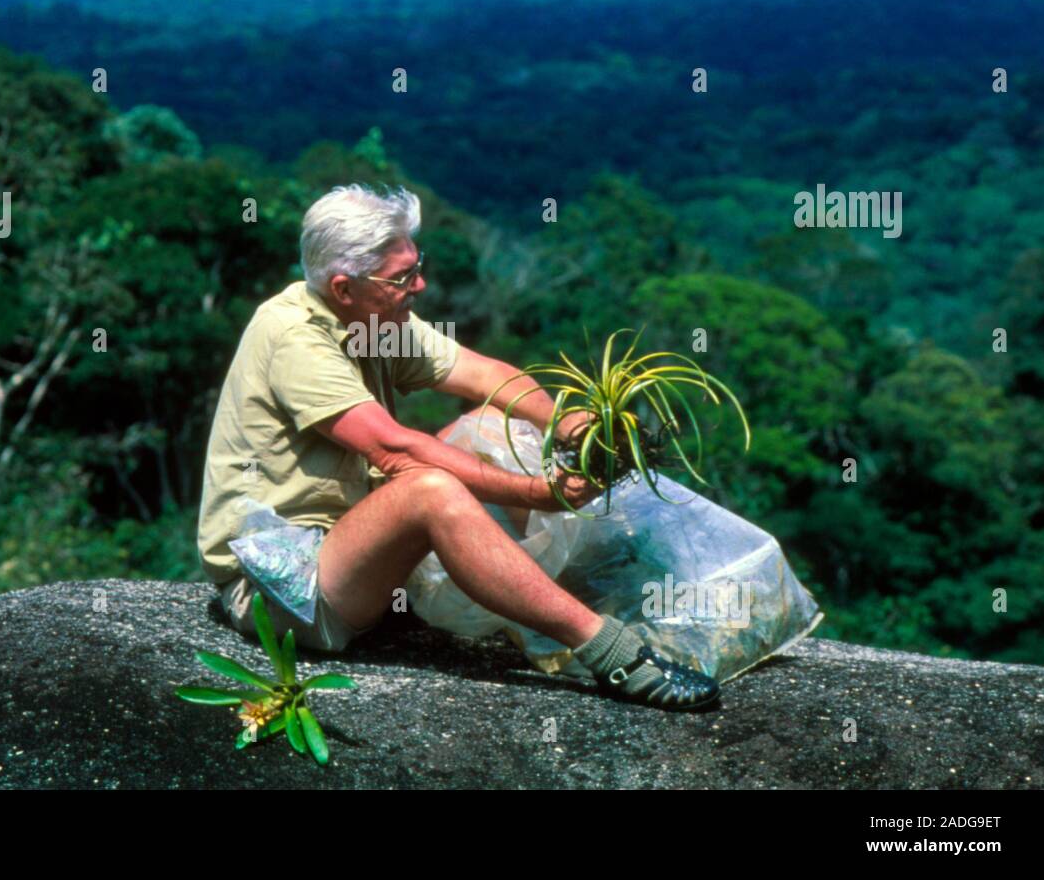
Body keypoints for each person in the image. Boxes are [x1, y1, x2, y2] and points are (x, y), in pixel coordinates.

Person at [196, 183, 719, 711]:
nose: (419, 283)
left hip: (351, 549)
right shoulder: (294, 337)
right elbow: (392, 449)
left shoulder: (375, 319)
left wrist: (575, 428)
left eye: (416, 264)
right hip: (283, 589)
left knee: (493, 425)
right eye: (401, 277)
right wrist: (538, 493)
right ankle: (611, 651)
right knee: (430, 489)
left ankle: (565, 598)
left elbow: (485, 376)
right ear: (343, 288)